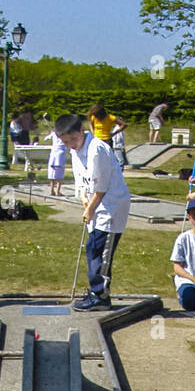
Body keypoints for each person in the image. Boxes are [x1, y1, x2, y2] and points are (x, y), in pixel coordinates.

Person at [55, 111, 131, 311]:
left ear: (82, 130)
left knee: (101, 251)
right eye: (66, 141)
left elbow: (101, 188)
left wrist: (90, 209)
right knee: (92, 249)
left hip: (111, 206)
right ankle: (96, 290)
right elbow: (82, 182)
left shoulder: (97, 149)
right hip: (96, 206)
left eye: (73, 138)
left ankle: (101, 296)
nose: (70, 144)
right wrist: (83, 200)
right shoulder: (74, 151)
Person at [46, 129, 67, 196]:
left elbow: (46, 138)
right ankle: (57, 191)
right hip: (60, 154)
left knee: (52, 173)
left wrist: (51, 133)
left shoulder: (54, 133)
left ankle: (52, 190)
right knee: (60, 174)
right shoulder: (65, 133)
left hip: (53, 153)